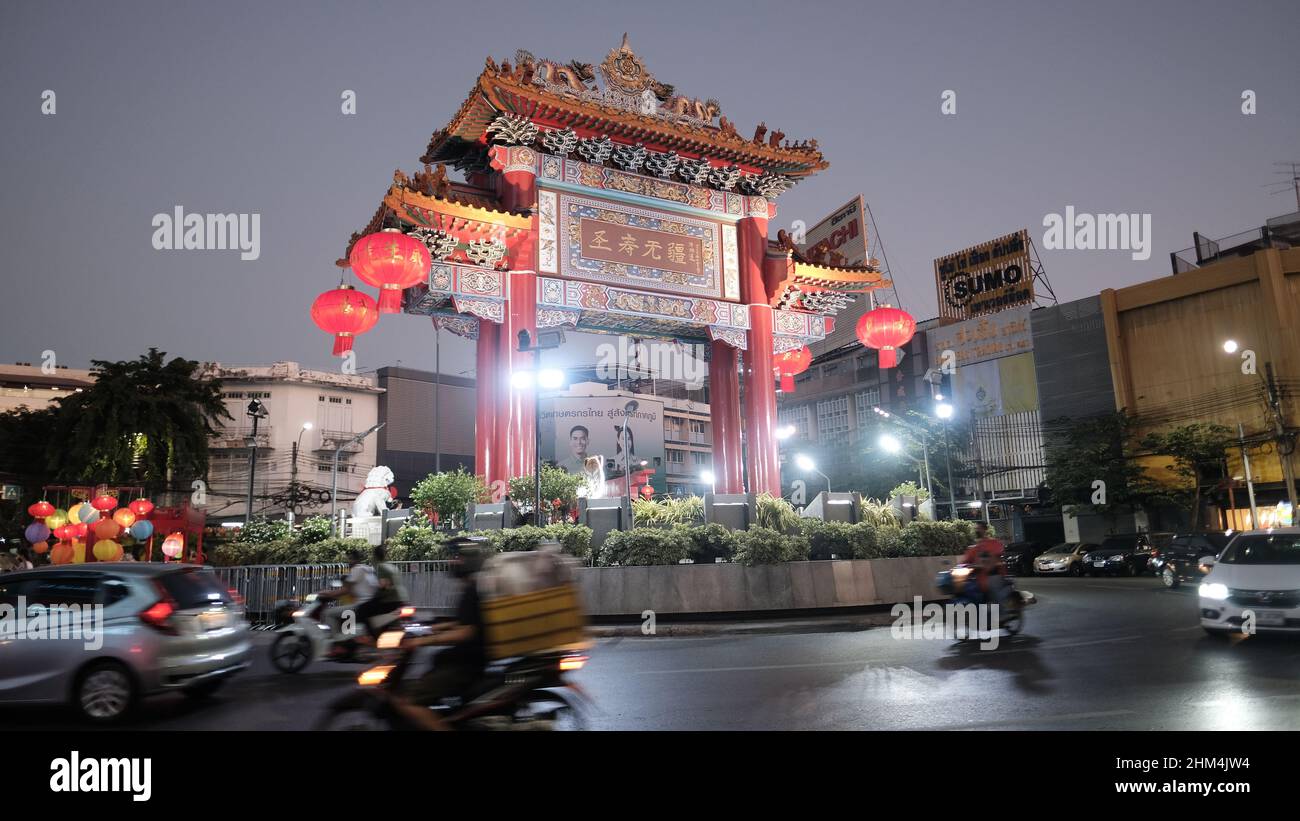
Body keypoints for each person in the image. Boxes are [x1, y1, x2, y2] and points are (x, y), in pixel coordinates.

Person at [386, 536, 489, 731]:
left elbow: (466, 632)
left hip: (466, 663)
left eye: (457, 557)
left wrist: (423, 642)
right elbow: (461, 623)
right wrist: (428, 629)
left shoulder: (472, 590)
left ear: (469, 560)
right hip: (468, 659)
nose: (452, 562)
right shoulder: (473, 586)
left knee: (409, 701)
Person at [317, 549, 376, 646]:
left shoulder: (356, 570)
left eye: (349, 559)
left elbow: (345, 590)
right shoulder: (368, 569)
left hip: (362, 605)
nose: (348, 562)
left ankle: (337, 642)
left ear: (354, 559)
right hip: (370, 605)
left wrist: (327, 594)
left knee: (328, 613)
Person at [352, 543, 406, 642]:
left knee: (361, 611)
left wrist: (374, 595)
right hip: (401, 599)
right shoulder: (392, 566)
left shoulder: (381, 567)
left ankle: (374, 638)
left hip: (389, 601)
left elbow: (383, 585)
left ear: (375, 556)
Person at [961, 522, 1009, 605]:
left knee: (992, 585)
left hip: (993, 575)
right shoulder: (974, 547)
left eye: (979, 528)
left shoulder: (993, 543)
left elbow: (996, 558)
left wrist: (987, 565)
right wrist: (959, 567)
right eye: (976, 529)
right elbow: (965, 561)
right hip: (979, 577)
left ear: (985, 530)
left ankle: (1002, 612)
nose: (977, 530)